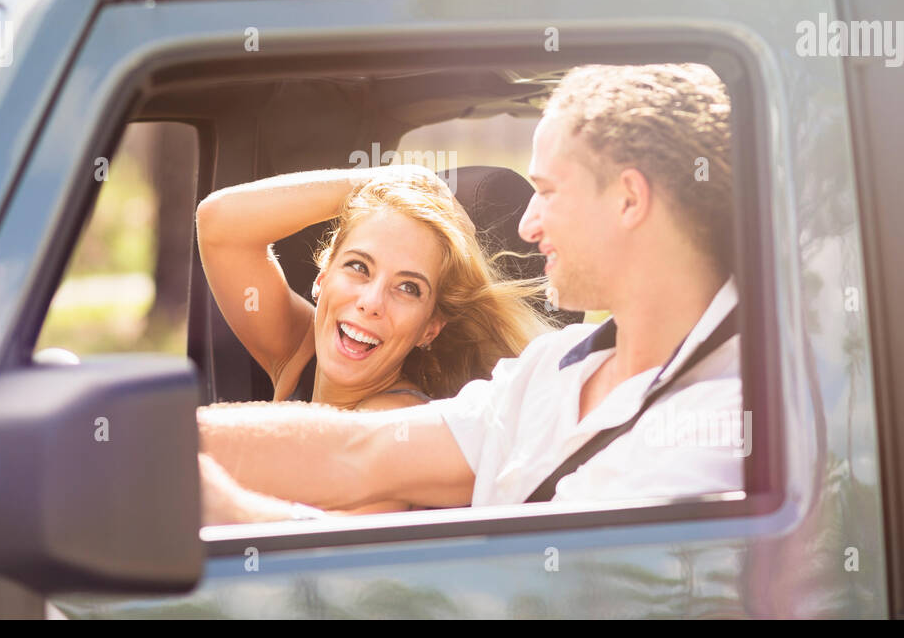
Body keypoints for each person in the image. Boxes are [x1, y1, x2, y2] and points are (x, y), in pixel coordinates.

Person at [197, 62, 741, 522]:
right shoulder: (553, 368)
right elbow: (359, 453)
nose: (528, 225)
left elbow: (530, 592)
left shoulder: (719, 424)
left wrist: (234, 511)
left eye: (548, 192)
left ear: (627, 200)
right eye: (359, 268)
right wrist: (156, 447)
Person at [195, 164, 550, 412]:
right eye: (358, 267)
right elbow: (218, 223)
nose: (371, 302)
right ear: (322, 277)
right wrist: (385, 180)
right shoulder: (299, 355)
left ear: (430, 327)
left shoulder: (393, 419)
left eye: (409, 288)